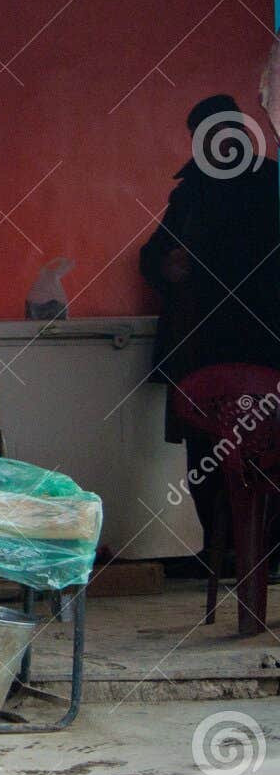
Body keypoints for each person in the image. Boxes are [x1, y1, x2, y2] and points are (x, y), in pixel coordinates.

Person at [139, 94, 280, 553]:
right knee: (205, 450)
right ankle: (220, 553)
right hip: (203, 346)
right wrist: (167, 265)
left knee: (264, 450)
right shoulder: (191, 192)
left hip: (263, 344)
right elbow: (152, 256)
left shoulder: (271, 184)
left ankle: (264, 552)